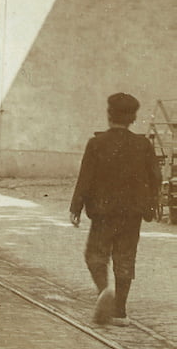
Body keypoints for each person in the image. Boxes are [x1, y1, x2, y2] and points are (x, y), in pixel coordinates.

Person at [69, 91, 162, 326]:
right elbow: (155, 178)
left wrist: (76, 208)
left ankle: (103, 291)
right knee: (125, 258)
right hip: (132, 215)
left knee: (95, 255)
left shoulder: (97, 144)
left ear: (109, 115)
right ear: (133, 118)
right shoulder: (143, 145)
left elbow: (85, 178)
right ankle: (120, 311)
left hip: (103, 213)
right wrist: (150, 207)